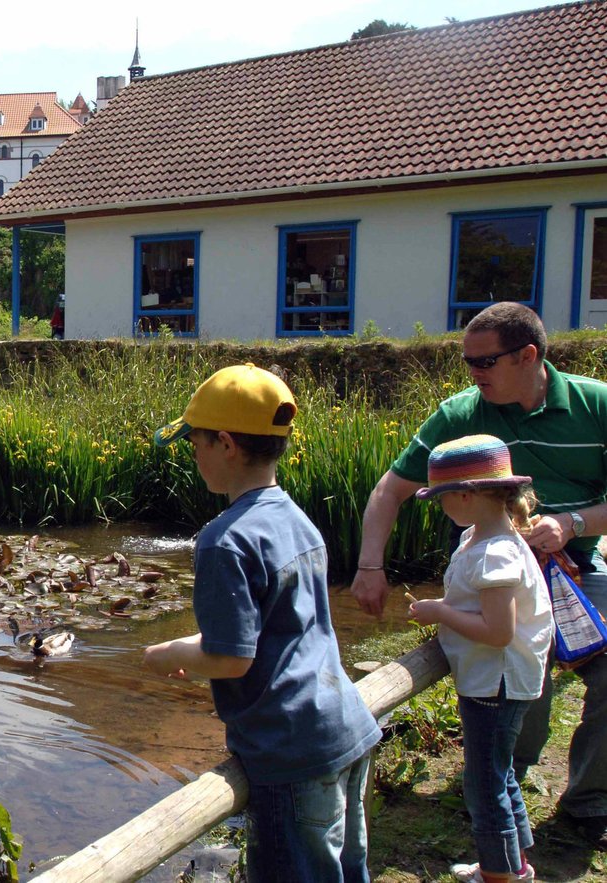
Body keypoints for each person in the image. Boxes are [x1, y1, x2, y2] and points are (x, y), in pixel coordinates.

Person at [351, 302, 607, 845]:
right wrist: (370, 566)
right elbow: (388, 492)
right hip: (497, 572)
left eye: (485, 362)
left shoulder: (597, 404)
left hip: (577, 568)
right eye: (467, 361)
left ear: (529, 355)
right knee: (521, 684)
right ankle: (507, 780)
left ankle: (586, 804)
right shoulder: (461, 413)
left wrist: (573, 522)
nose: (473, 373)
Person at [144, 364, 381, 882]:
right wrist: (197, 641)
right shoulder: (294, 516)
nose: (193, 454)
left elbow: (232, 659)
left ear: (226, 444)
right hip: (343, 724)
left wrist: (173, 655)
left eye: (196, 442)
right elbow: (284, 629)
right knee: (345, 867)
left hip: (289, 747)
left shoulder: (222, 539)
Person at [407, 435, 551, 883]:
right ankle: (514, 863)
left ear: (467, 495)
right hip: (493, 680)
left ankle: (498, 875)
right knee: (499, 773)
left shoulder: (497, 553)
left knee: (484, 785)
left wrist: (439, 612)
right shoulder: (481, 537)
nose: (441, 507)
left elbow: (498, 631)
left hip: (497, 684)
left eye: (443, 498)